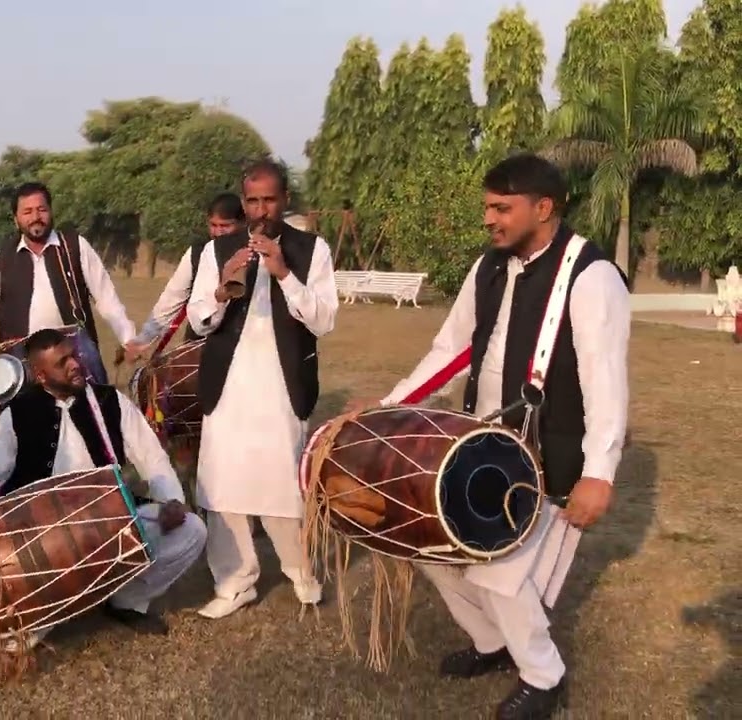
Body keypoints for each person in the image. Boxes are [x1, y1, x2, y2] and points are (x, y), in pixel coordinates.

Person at [370, 154, 628, 720]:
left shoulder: (590, 275)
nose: (489, 218)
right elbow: (453, 351)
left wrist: (599, 472)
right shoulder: (488, 268)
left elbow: (605, 379)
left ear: (544, 207)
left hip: (546, 457)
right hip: (476, 445)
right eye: (487, 206)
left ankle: (543, 674)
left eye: (501, 208)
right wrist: (390, 410)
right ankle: (494, 645)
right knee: (431, 549)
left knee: (503, 575)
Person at [0, 327, 207, 649]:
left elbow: (152, 458)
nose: (75, 365)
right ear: (40, 375)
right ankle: (52, 608)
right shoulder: (17, 414)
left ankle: (125, 601)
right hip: (42, 539)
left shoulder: (110, 401)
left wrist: (173, 501)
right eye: (62, 362)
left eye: (74, 355)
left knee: (191, 530)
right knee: (13, 642)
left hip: (111, 521)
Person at [186, 158, 339, 620]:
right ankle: (235, 582)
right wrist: (219, 291)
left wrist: (284, 274)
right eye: (252, 200)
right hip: (228, 385)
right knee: (223, 484)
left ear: (285, 199)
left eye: (269, 199)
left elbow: (324, 320)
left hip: (282, 384)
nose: (259, 209)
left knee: (283, 486)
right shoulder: (217, 251)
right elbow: (197, 319)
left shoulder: (312, 250)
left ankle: (301, 574)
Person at [0, 182, 138, 382]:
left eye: (41, 209)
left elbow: (107, 299)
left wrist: (128, 339)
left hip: (74, 350)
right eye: (27, 212)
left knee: (98, 409)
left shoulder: (75, 247)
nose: (36, 217)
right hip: (22, 358)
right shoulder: (3, 258)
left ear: (51, 212)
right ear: (16, 219)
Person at [128, 192, 246, 354]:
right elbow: (172, 298)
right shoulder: (197, 254)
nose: (218, 232)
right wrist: (144, 339)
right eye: (213, 225)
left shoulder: (253, 253)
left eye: (225, 226)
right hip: (199, 346)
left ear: (243, 223)